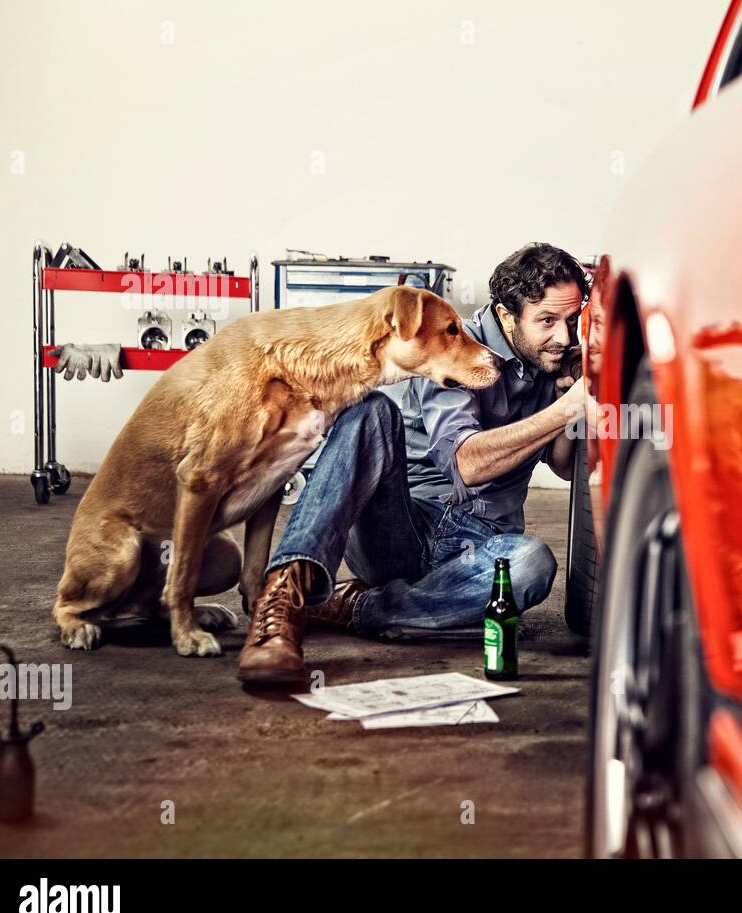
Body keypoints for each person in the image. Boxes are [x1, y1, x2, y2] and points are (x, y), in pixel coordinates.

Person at [236, 243, 593, 683]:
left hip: (481, 546)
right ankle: (282, 600)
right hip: (400, 529)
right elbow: (467, 464)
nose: (565, 336)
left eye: (572, 320)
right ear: (506, 316)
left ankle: (358, 607)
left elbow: (560, 466)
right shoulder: (453, 346)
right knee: (370, 411)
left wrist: (567, 398)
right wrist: (564, 410)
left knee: (532, 564)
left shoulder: (551, 357)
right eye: (548, 321)